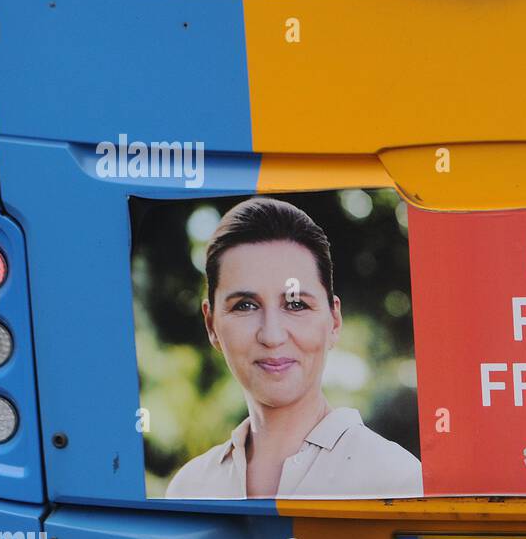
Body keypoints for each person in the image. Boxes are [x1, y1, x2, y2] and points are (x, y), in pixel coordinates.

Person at [165, 197, 422, 499]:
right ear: (211, 325)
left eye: (296, 304)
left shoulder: (397, 481)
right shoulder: (190, 489)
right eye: (245, 305)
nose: (272, 336)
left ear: (334, 320)